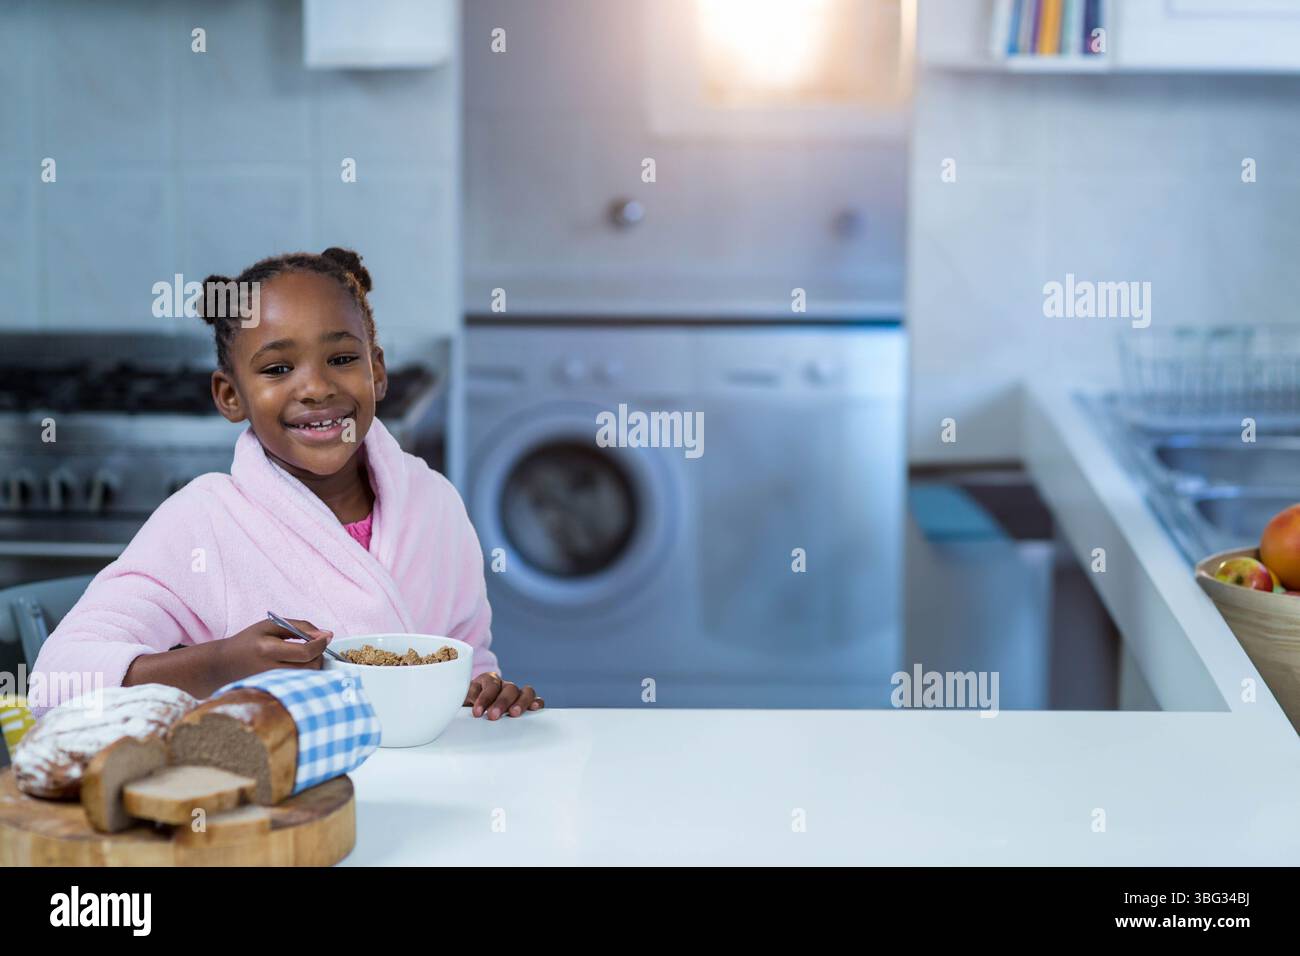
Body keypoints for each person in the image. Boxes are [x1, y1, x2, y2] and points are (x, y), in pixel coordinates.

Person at [31, 248, 541, 721]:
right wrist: (220, 665)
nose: (317, 388)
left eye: (341, 359)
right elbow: (56, 682)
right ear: (230, 396)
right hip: (275, 804)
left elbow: (467, 661)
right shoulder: (203, 523)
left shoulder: (434, 504)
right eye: (277, 368)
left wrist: (487, 692)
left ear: (377, 372)